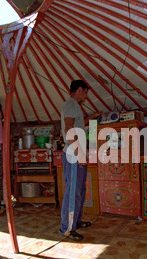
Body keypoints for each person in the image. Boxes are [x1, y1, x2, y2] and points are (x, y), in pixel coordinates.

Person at [59, 80, 101, 241]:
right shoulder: (71, 104)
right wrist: (79, 152)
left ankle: (75, 221)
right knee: (72, 192)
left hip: (76, 152)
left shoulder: (75, 106)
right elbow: (69, 128)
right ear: (78, 90)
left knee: (80, 190)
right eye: (85, 92)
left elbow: (76, 123)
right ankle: (67, 228)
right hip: (73, 153)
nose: (85, 96)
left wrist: (92, 117)